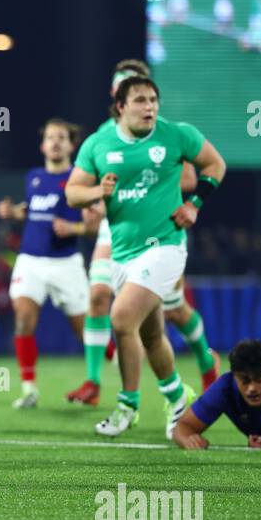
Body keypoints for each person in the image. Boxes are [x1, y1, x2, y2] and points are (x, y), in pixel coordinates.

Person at [66, 76, 227, 439]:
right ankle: (178, 400)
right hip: (123, 253)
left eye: (153, 99)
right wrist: (97, 191)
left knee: (121, 317)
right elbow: (73, 193)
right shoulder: (98, 143)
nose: (150, 106)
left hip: (165, 246)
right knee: (152, 336)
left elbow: (215, 165)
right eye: (140, 100)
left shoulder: (176, 134)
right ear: (121, 106)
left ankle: (128, 405)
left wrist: (194, 204)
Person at [0, 118, 95, 408]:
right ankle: (29, 389)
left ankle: (111, 370)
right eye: (50, 137)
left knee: (86, 332)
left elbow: (96, 225)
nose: (55, 142)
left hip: (66, 263)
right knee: (23, 319)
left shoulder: (80, 179)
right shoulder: (34, 177)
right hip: (30, 260)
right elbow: (33, 210)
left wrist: (74, 228)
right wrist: (13, 213)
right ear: (42, 145)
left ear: (72, 145)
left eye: (61, 138)